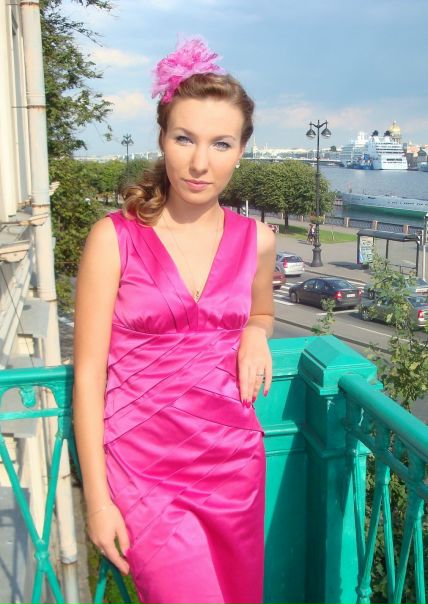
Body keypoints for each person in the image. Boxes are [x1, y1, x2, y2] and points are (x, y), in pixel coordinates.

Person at [73, 36, 275, 604]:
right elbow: (88, 375)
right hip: (144, 475)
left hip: (235, 464)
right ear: (162, 138)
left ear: (241, 151)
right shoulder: (113, 239)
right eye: (184, 138)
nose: (199, 162)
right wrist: (97, 500)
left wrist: (255, 331)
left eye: (221, 143)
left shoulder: (258, 240)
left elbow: (262, 309)